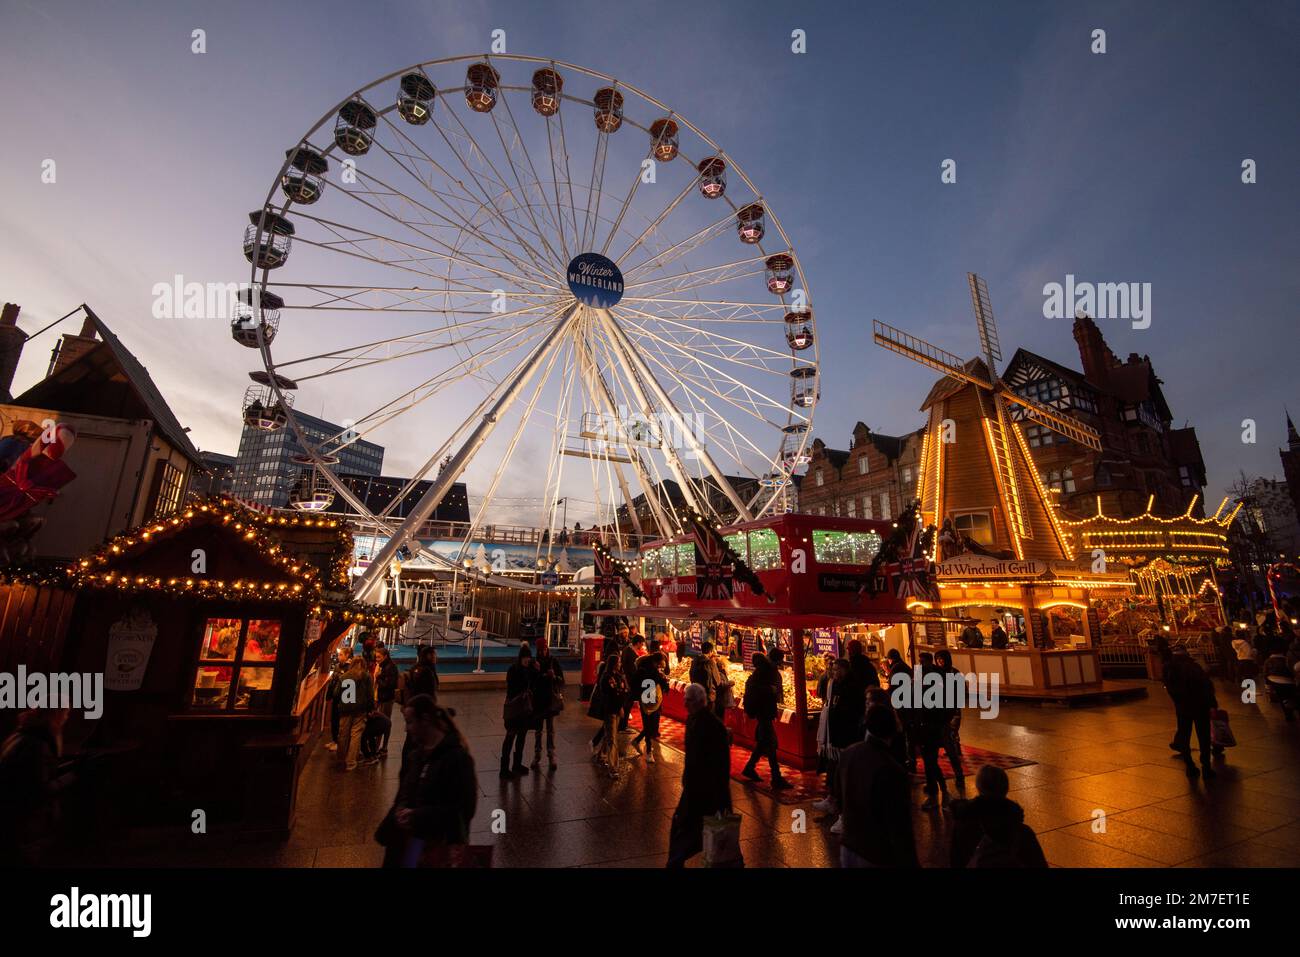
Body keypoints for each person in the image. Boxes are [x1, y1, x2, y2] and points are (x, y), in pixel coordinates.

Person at [375, 696, 478, 867]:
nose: (407, 729)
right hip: (414, 840)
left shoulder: (457, 759)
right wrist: (402, 810)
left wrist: (416, 815)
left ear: (425, 720)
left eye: (409, 722)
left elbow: (462, 810)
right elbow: (406, 792)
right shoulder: (417, 753)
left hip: (435, 845)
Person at [835, 705, 918, 868]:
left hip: (848, 844)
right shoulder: (892, 770)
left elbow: (839, 797)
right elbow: (899, 825)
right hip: (875, 852)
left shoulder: (848, 753)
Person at [667, 683, 734, 867]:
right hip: (697, 788)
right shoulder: (695, 720)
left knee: (688, 833)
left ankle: (675, 862)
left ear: (698, 702)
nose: (684, 704)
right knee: (691, 832)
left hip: (703, 791)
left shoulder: (709, 726)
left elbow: (719, 764)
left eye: (687, 701)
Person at [0, 708, 72, 867]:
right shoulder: (37, 745)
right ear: (55, 716)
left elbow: (36, 773)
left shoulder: (22, 736)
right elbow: (39, 789)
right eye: (65, 714)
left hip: (15, 822)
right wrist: (71, 777)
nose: (66, 718)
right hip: (26, 825)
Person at [948, 765, 1047, 868]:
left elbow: (956, 861)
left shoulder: (963, 825)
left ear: (978, 788)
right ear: (1006, 788)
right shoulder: (1021, 831)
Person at [821, 658, 864, 834]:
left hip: (846, 736)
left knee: (845, 776)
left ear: (846, 670)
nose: (835, 672)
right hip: (836, 736)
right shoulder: (836, 685)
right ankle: (833, 801)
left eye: (838, 669)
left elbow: (852, 711)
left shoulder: (852, 687)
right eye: (834, 669)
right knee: (835, 770)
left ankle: (845, 814)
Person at [1163, 647, 1219, 779]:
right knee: (1203, 736)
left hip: (1182, 707)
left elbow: (1169, 688)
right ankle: (1206, 766)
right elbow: (1206, 686)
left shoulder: (1168, 669)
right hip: (1200, 706)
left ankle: (1189, 765)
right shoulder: (1194, 667)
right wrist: (1212, 704)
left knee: (1184, 735)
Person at [741, 653, 791, 788]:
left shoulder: (762, 670)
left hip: (763, 712)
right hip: (765, 712)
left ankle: (750, 768)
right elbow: (759, 689)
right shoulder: (766, 671)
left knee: (764, 743)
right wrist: (770, 690)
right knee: (771, 744)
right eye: (779, 662)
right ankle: (776, 777)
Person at [587, 647, 629, 778]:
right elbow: (614, 694)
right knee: (612, 739)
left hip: (615, 709)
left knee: (609, 734)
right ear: (614, 664)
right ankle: (613, 768)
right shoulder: (607, 678)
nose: (620, 664)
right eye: (619, 662)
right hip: (610, 710)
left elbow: (623, 690)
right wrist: (620, 707)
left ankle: (601, 755)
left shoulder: (618, 675)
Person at [500, 645, 537, 779]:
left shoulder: (528, 670)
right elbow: (513, 687)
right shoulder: (514, 670)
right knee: (510, 737)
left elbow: (533, 684)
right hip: (515, 707)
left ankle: (517, 764)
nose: (527, 660)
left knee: (521, 737)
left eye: (529, 657)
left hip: (523, 709)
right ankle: (504, 768)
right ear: (521, 658)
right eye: (525, 657)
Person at [530, 636, 565, 771]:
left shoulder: (552, 661)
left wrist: (554, 677)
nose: (543, 652)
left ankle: (551, 755)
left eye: (545, 649)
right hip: (539, 700)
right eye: (541, 649)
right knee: (539, 730)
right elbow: (531, 681)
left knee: (550, 730)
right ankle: (537, 755)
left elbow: (561, 680)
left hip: (549, 700)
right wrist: (541, 674)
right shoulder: (535, 663)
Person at [934, 648, 966, 793]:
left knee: (951, 736)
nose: (940, 661)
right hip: (940, 711)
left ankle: (959, 774)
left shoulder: (954, 673)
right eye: (938, 659)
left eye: (942, 659)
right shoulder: (937, 674)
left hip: (952, 710)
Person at [336, 654, 374, 771]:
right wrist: (370, 708)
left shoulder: (344, 676)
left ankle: (341, 759)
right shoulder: (366, 677)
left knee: (343, 734)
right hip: (360, 709)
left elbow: (336, 693)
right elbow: (370, 695)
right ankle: (351, 762)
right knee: (355, 735)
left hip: (345, 709)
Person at [631, 651, 670, 763]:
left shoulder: (652, 669)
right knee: (649, 725)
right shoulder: (647, 671)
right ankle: (648, 751)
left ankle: (638, 741)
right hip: (647, 699)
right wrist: (662, 681)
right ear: (657, 662)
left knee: (651, 726)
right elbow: (658, 681)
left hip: (652, 699)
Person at [325, 643, 353, 752]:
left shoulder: (349, 668)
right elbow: (333, 682)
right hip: (335, 696)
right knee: (334, 719)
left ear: (347, 656)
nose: (339, 656)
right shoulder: (337, 666)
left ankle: (339, 742)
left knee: (340, 721)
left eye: (341, 654)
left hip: (343, 698)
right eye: (339, 654)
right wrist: (329, 695)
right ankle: (334, 739)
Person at [373, 646, 400, 757]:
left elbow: (390, 685)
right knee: (382, 721)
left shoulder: (390, 668)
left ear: (385, 656)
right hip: (381, 697)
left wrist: (378, 678)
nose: (377, 659)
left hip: (387, 698)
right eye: (376, 657)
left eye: (379, 657)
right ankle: (378, 745)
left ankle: (383, 747)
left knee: (385, 722)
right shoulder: (383, 666)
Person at [619, 634, 646, 732]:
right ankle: (623, 726)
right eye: (642, 643)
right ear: (638, 643)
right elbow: (630, 669)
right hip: (630, 682)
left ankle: (623, 725)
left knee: (627, 704)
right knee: (627, 704)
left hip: (628, 681)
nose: (642, 645)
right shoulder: (630, 652)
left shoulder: (627, 650)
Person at [689, 641, 722, 709]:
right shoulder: (710, 662)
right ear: (711, 651)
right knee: (708, 717)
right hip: (708, 696)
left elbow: (691, 675)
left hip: (696, 694)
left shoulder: (694, 661)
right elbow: (717, 681)